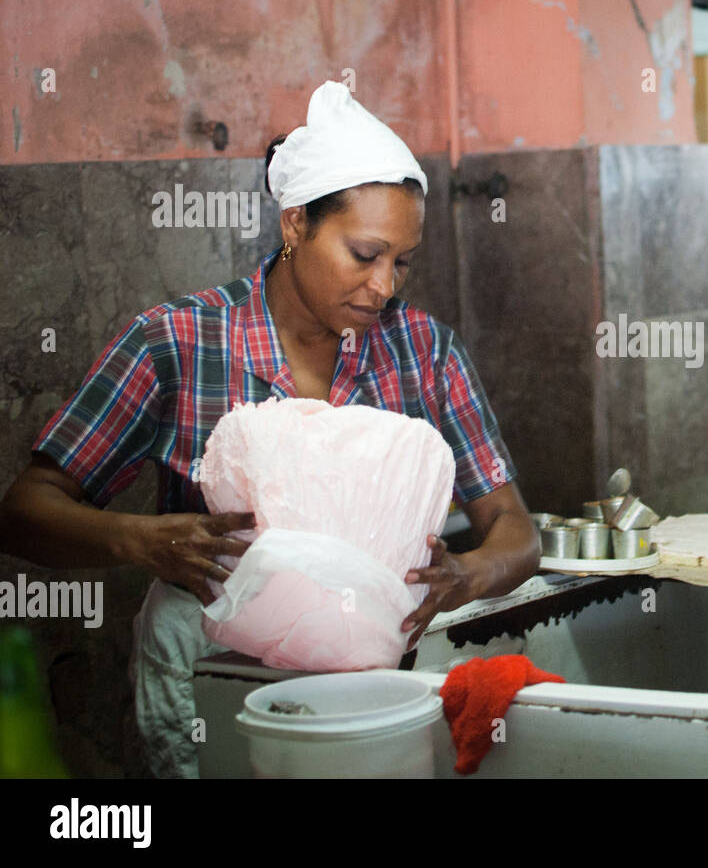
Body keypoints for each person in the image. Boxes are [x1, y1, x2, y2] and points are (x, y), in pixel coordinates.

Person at [0, 80, 539, 778]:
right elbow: (22, 511)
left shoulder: (423, 350)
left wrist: (466, 573)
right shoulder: (177, 343)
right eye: (365, 254)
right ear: (294, 226)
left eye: (402, 262)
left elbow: (516, 532)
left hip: (374, 689)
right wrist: (137, 540)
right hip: (210, 677)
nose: (385, 286)